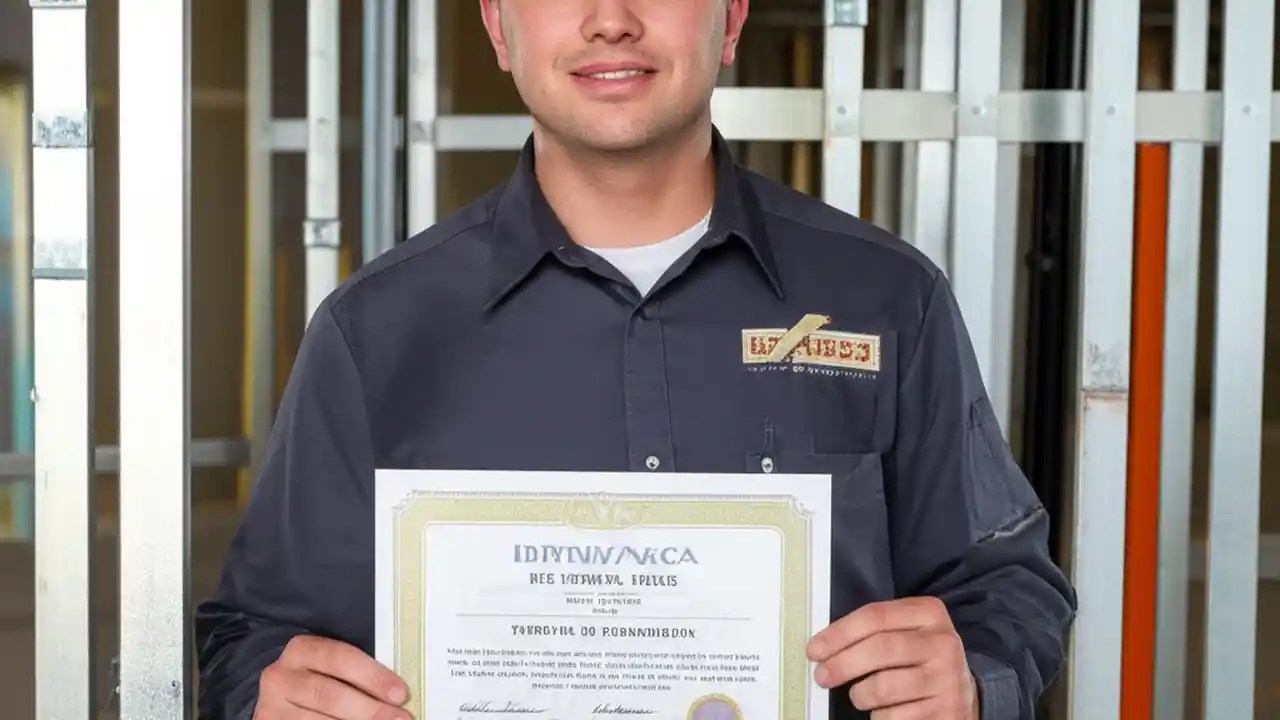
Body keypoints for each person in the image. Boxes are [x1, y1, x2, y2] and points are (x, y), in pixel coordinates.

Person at [194, 0, 1077, 717]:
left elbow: (1007, 586)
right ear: (498, 26)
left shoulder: (885, 299)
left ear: (731, 19)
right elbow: (251, 635)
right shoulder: (376, 330)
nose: (610, 19)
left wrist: (972, 681)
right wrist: (272, 695)